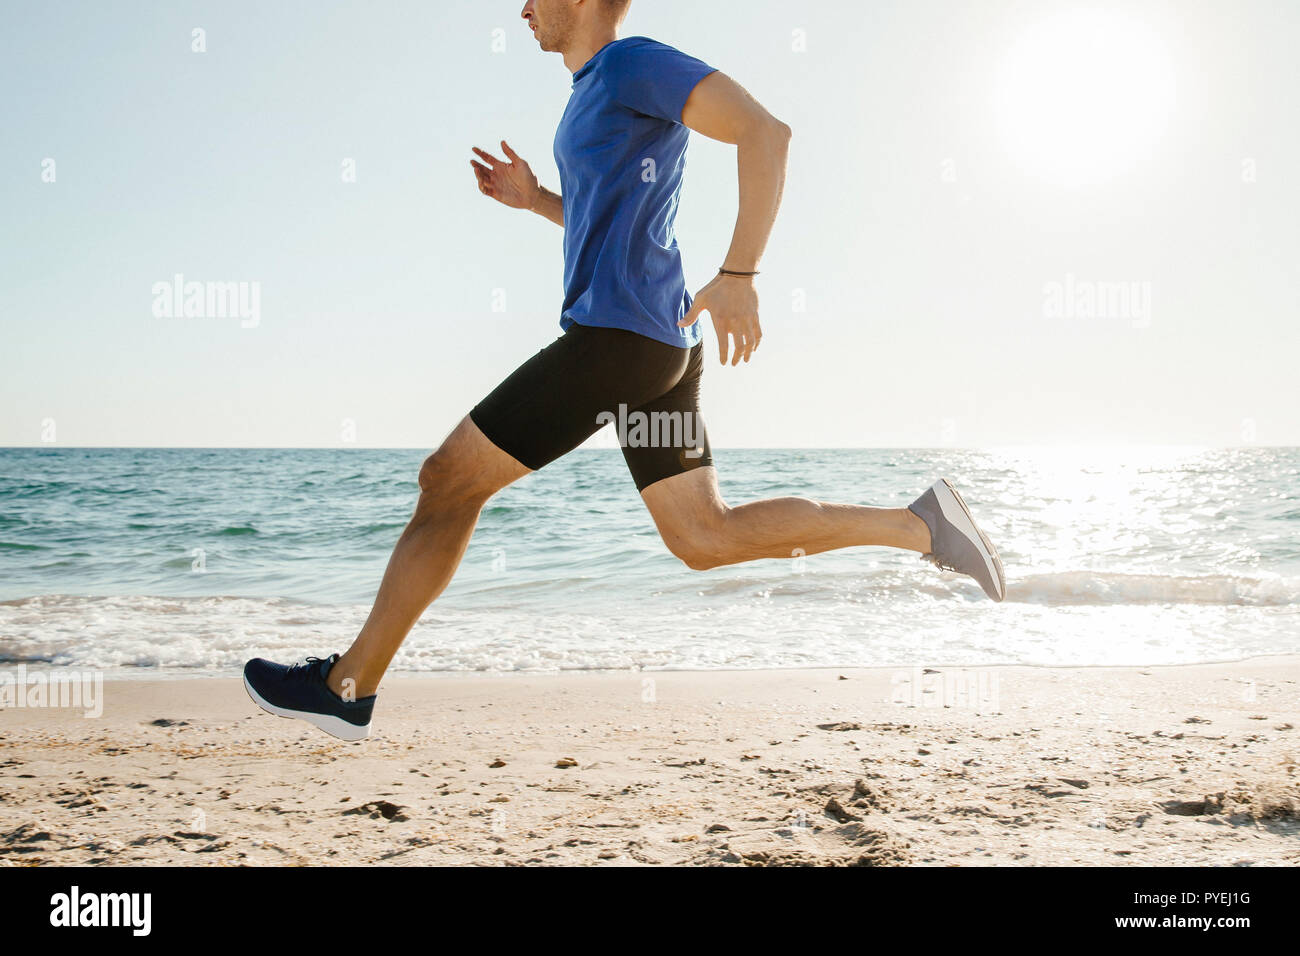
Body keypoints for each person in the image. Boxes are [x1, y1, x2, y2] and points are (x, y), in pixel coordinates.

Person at [243, 0, 1005, 741]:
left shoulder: (629, 64)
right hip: (656, 348)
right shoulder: (592, 94)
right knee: (705, 537)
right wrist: (537, 198)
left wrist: (740, 273)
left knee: (448, 479)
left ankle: (349, 687)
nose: (521, 11)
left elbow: (764, 133)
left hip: (618, 342)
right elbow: (606, 219)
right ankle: (921, 526)